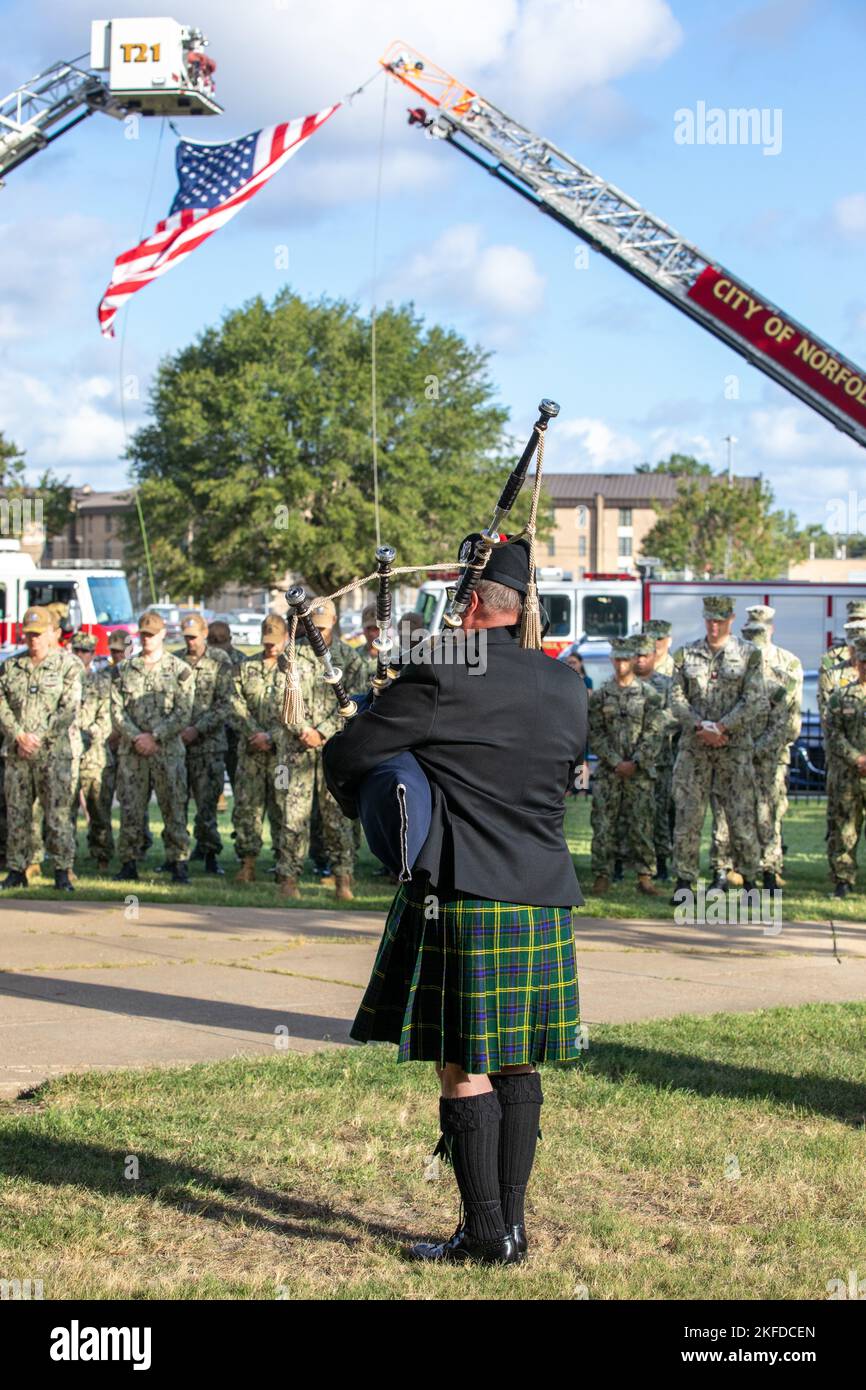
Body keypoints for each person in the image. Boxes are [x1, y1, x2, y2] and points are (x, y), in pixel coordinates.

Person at [323, 534, 587, 1266]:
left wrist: (374, 778)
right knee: (519, 1062)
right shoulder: (568, 683)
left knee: (462, 1061)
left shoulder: (442, 675)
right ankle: (512, 1228)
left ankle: (483, 1235)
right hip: (543, 889)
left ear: (470, 605)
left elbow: (349, 753)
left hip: (464, 892)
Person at [669, 594, 767, 903]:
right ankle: (684, 881)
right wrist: (701, 726)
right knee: (688, 817)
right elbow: (676, 699)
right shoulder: (686, 654)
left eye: (720, 620)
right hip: (694, 749)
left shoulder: (749, 654)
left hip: (733, 748)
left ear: (731, 620)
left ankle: (749, 878)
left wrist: (721, 727)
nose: (714, 626)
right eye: (710, 619)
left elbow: (754, 699)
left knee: (740, 815)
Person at [711, 619, 800, 890]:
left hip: (764, 761)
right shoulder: (731, 680)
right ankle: (722, 870)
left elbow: (783, 724)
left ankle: (769, 871)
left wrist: (755, 750)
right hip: (732, 758)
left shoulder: (779, 682)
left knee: (766, 816)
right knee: (725, 816)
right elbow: (720, 716)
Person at [0, 606, 83, 891]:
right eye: (28, 634)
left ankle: (62, 870)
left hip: (53, 754)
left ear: (51, 633)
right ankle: (17, 868)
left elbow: (69, 708)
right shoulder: (11, 666)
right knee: (18, 813)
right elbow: (1, 704)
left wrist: (38, 738)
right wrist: (18, 735)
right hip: (17, 754)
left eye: (37, 634)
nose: (32, 639)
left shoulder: (68, 665)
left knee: (57, 814)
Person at [111, 610, 194, 882]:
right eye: (143, 634)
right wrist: (137, 737)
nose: (147, 639)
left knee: (174, 807)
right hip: (132, 752)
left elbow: (183, 712)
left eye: (152, 634)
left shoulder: (179, 670)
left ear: (162, 635)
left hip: (167, 752)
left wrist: (155, 736)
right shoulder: (124, 670)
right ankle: (129, 862)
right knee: (131, 808)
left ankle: (178, 861)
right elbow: (117, 711)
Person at [588, 633, 664, 896]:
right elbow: (594, 733)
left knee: (641, 824)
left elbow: (654, 733)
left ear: (633, 659)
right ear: (612, 660)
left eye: (625, 659)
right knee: (603, 825)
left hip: (639, 773)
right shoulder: (600, 696)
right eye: (616, 659)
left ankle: (644, 876)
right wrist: (615, 761)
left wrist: (635, 762)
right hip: (610, 773)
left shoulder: (650, 696)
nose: (621, 664)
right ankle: (602, 874)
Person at [230, 614, 291, 883]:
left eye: (276, 642)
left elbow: (299, 710)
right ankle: (247, 863)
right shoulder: (245, 667)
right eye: (267, 642)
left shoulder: (295, 668)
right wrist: (254, 733)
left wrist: (272, 736)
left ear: (287, 637)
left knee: (282, 808)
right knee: (247, 808)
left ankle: (283, 864)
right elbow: (233, 705)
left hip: (282, 755)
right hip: (251, 753)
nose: (271, 647)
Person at [177, 613, 234, 874]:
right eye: (186, 637)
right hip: (178, 745)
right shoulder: (175, 661)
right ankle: (176, 856)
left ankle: (211, 854)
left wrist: (197, 729)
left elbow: (225, 704)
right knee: (175, 804)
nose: (190, 642)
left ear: (204, 634)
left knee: (207, 805)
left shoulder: (219, 661)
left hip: (209, 746)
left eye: (194, 637)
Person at [825, 634, 866, 897]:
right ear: (856, 662)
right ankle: (843, 878)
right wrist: (857, 758)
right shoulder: (841, 696)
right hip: (849, 773)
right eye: (863, 661)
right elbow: (833, 733)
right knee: (845, 827)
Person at [636, 626, 677, 881]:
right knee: (633, 814)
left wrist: (653, 724)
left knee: (661, 813)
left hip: (660, 758)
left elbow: (676, 716)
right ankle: (630, 864)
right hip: (631, 757)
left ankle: (662, 863)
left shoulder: (667, 682)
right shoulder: (628, 682)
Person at [72, 631, 114, 872]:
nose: (80, 655)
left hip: (93, 756)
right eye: (76, 650)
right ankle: (64, 856)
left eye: (84, 651)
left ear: (92, 654)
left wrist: (84, 732)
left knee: (98, 808)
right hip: (67, 755)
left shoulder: (101, 683)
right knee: (63, 810)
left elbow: (106, 719)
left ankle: (102, 855)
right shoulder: (62, 680)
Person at [207, 620, 246, 795]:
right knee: (210, 788)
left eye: (222, 641)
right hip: (209, 733)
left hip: (236, 733)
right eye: (214, 642)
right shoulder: (205, 662)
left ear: (230, 639)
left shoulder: (242, 661)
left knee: (240, 785)